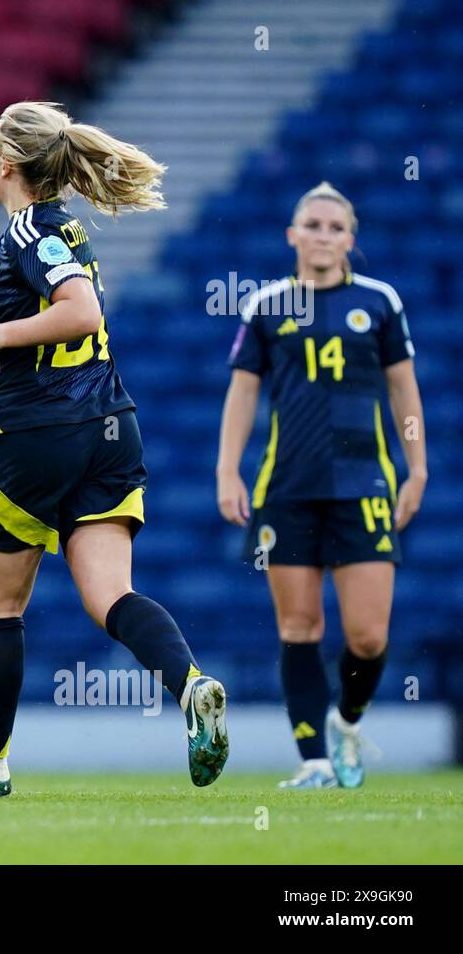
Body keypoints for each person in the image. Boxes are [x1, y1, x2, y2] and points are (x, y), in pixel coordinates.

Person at [0, 101, 229, 796]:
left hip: (33, 435)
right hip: (107, 430)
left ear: (6, 164)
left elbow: (81, 308)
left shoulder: (37, 235)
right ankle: (188, 685)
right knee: (111, 595)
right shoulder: (39, 231)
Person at [216, 182, 425, 789]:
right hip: (288, 488)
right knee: (299, 627)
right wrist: (229, 469)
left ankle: (346, 720)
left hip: (365, 486)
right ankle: (312, 761)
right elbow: (243, 392)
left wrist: (419, 465)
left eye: (336, 227)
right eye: (313, 224)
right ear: (293, 235)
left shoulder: (379, 302)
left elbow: (404, 392)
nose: (323, 235)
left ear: (350, 241)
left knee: (368, 634)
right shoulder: (267, 306)